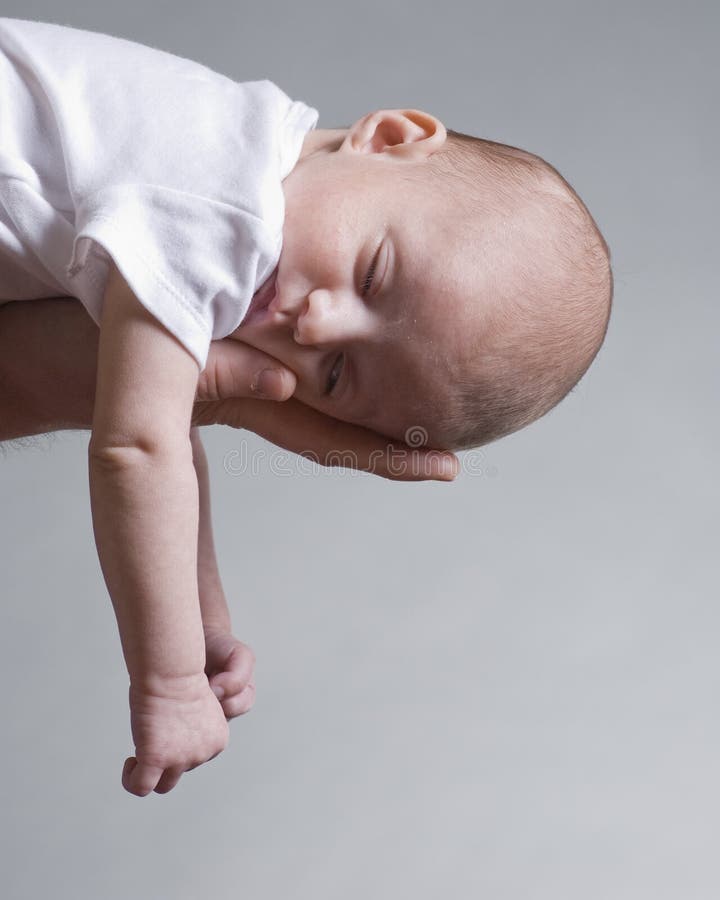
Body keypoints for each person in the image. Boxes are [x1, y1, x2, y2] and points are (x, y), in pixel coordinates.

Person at [0, 18, 612, 797]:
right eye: (374, 273)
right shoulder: (224, 210)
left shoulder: (239, 150)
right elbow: (137, 451)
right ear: (390, 137)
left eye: (336, 375)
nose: (317, 325)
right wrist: (170, 682)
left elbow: (170, 434)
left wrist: (204, 618)